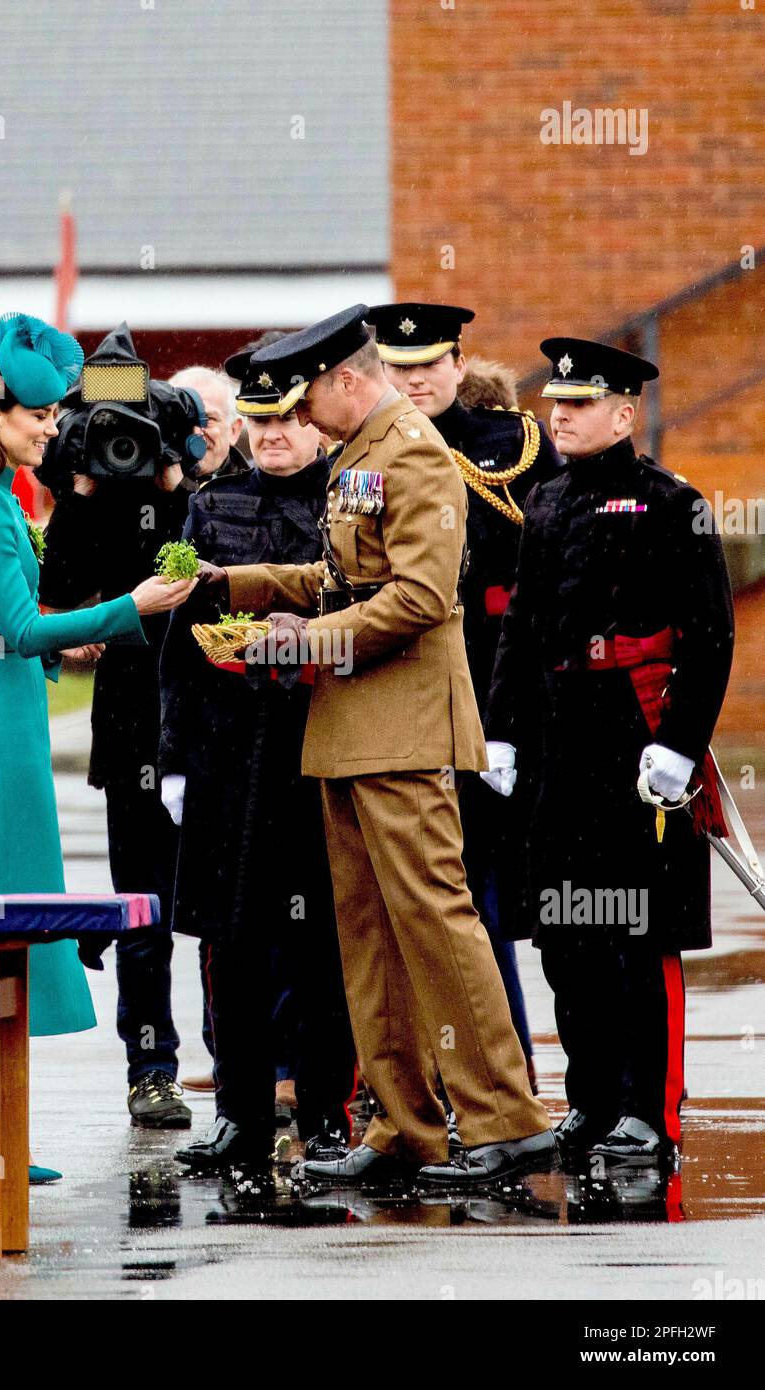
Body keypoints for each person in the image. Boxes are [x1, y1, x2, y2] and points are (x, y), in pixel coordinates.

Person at [199, 305, 554, 1190]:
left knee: (435, 922)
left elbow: (421, 599)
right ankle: (405, 1124)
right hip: (350, 730)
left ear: (346, 381)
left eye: (306, 397)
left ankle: (504, 1119)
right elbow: (342, 576)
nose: (296, 418)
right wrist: (228, 582)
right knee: (370, 936)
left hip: (402, 726)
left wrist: (302, 643)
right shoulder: (362, 452)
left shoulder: (412, 454)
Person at [0, 312, 196, 1176]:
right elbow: (26, 626)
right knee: (0, 911)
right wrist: (131, 608)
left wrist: (16, 642)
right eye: (36, 415)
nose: (51, 428)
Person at [484, 338, 734, 1165]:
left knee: (636, 931)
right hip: (559, 738)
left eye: (580, 403)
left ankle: (646, 1110)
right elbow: (519, 630)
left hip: (634, 734)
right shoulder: (547, 501)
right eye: (556, 402)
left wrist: (678, 744)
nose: (560, 415)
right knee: (564, 931)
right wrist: (502, 729)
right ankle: (590, 1100)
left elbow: (709, 633)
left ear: (624, 412)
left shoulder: (669, 500)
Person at [162, 352, 356, 1171]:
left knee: (325, 943)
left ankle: (326, 1113)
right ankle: (238, 1113)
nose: (273, 436)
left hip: (317, 738)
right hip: (228, 751)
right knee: (231, 943)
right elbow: (176, 639)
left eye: (286, 420)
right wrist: (172, 757)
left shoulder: (348, 500)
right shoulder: (208, 507)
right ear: (239, 424)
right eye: (260, 422)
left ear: (310, 422)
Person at [371, 302, 564, 1095]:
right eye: (399, 368)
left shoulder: (512, 447)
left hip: (493, 692)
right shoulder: (365, 449)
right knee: (402, 909)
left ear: (457, 364)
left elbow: (546, 566)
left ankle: (500, 1077)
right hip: (399, 690)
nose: (414, 381)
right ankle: (410, 1087)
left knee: (481, 905)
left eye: (428, 366)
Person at [38, 325, 195, 1129]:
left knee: (253, 913)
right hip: (133, 728)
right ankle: (151, 1068)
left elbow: (201, 570)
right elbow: (61, 587)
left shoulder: (200, 492)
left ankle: (270, 1076)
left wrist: (173, 477)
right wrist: (79, 491)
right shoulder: (85, 501)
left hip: (214, 732)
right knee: (143, 911)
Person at [168, 367, 249, 483]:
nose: (195, 433)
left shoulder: (260, 494)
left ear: (233, 431)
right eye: (182, 419)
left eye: (206, 419)